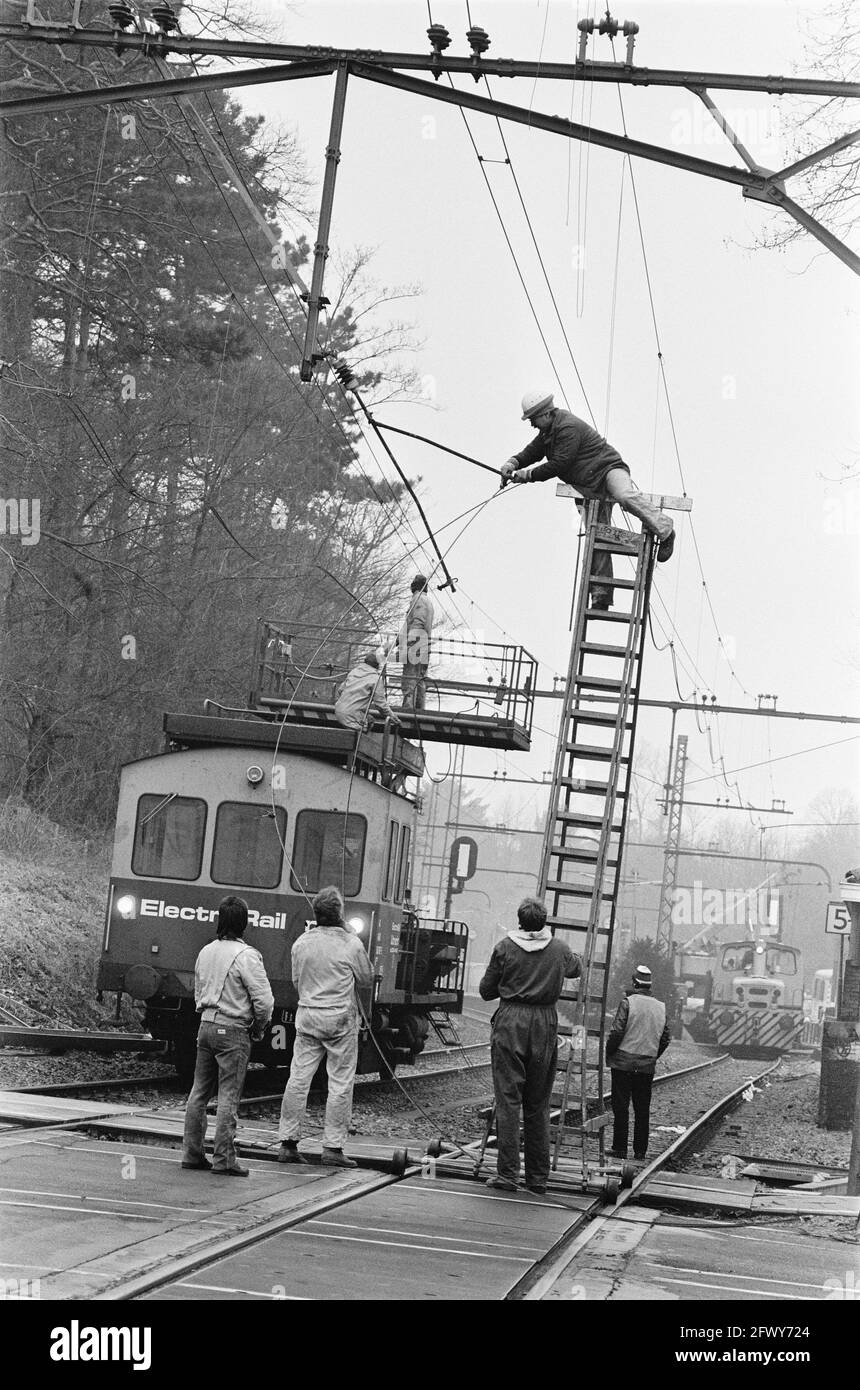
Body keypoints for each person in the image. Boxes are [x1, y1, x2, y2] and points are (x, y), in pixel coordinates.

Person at [501, 391, 675, 610]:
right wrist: (513, 462)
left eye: (533, 419)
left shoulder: (567, 428)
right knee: (598, 535)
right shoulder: (548, 431)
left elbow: (559, 464)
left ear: (544, 414)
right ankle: (601, 594)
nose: (532, 424)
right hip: (587, 485)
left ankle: (665, 527)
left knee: (624, 495)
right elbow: (532, 452)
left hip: (608, 469)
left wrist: (526, 476)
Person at [479, 897, 581, 1194]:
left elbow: (486, 991)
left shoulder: (505, 947)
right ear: (545, 921)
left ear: (520, 920)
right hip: (544, 1024)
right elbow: (576, 969)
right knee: (538, 1104)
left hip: (511, 1022)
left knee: (508, 1102)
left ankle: (508, 1175)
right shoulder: (560, 949)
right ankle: (538, 1178)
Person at [278, 885, 374, 1168]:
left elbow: (297, 982)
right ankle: (332, 1147)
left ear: (315, 913)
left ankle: (287, 1142)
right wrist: (352, 934)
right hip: (340, 1021)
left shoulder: (301, 943)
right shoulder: (351, 944)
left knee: (298, 1078)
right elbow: (366, 979)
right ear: (340, 914)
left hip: (308, 1016)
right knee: (340, 1082)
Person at [181, 896, 274, 1177]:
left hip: (206, 1025)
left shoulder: (206, 951)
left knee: (198, 1092)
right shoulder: (247, 956)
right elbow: (265, 1002)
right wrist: (258, 1028)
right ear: (244, 923)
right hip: (233, 1031)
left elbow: (198, 990)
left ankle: (191, 1154)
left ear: (219, 920)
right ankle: (224, 1159)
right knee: (228, 1096)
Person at [606, 964, 671, 1162]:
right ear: (649, 986)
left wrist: (610, 1052)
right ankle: (640, 1151)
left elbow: (617, 1031)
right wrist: (652, 1055)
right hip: (645, 1066)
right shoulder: (661, 1007)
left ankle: (620, 1148)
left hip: (623, 1063)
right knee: (642, 1109)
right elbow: (666, 1037)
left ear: (635, 983)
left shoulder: (628, 1003)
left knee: (621, 1107)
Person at [334, 649, 401, 732]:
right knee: (365, 727)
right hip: (352, 717)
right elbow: (381, 705)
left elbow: (340, 690)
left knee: (370, 719)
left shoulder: (354, 672)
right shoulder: (375, 679)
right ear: (377, 665)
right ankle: (362, 737)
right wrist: (393, 718)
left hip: (338, 711)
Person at [399, 573, 434, 711]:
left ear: (414, 587)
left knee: (410, 675)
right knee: (420, 677)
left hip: (416, 642)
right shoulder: (428, 601)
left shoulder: (417, 599)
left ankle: (408, 707)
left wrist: (408, 642)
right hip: (425, 643)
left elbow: (417, 621)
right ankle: (419, 707)